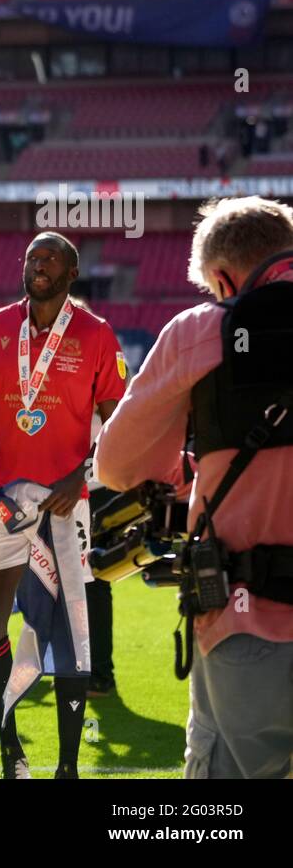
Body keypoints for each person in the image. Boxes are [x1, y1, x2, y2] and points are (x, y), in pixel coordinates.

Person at [94, 196, 293, 779]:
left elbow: (117, 466)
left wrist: (192, 464)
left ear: (226, 277)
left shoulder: (203, 331)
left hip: (249, 616)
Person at [0, 232, 125, 779]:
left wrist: (82, 474)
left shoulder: (97, 335)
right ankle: (11, 753)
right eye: (32, 257)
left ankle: (67, 766)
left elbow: (119, 421)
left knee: (73, 636)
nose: (38, 265)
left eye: (51, 258)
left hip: (63, 505)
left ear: (73, 273)